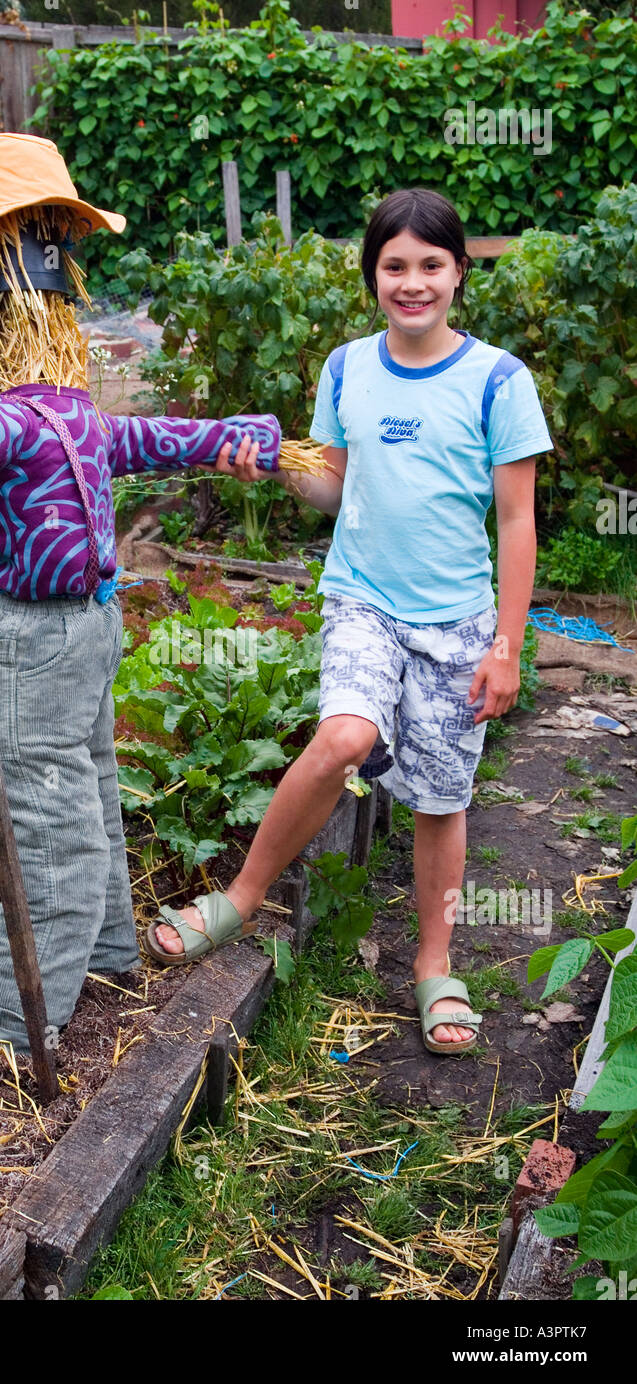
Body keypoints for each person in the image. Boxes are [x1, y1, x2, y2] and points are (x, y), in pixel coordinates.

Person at [0, 132, 285, 1052]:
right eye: (43, 247)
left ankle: (102, 959)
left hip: (86, 630)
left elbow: (145, 441)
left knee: (95, 800)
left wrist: (244, 441)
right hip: (20, 645)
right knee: (55, 848)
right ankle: (3, 1032)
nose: (55, 278)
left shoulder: (68, 412)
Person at [149, 187, 554, 1056]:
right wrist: (275, 469)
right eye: (393, 266)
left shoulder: (497, 381)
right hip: (363, 600)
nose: (412, 283)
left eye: (430, 265)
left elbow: (516, 522)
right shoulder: (345, 368)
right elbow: (331, 489)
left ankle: (434, 965)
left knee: (441, 803)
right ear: (372, 274)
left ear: (457, 274)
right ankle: (244, 898)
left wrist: (506, 647)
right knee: (340, 738)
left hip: (456, 624)